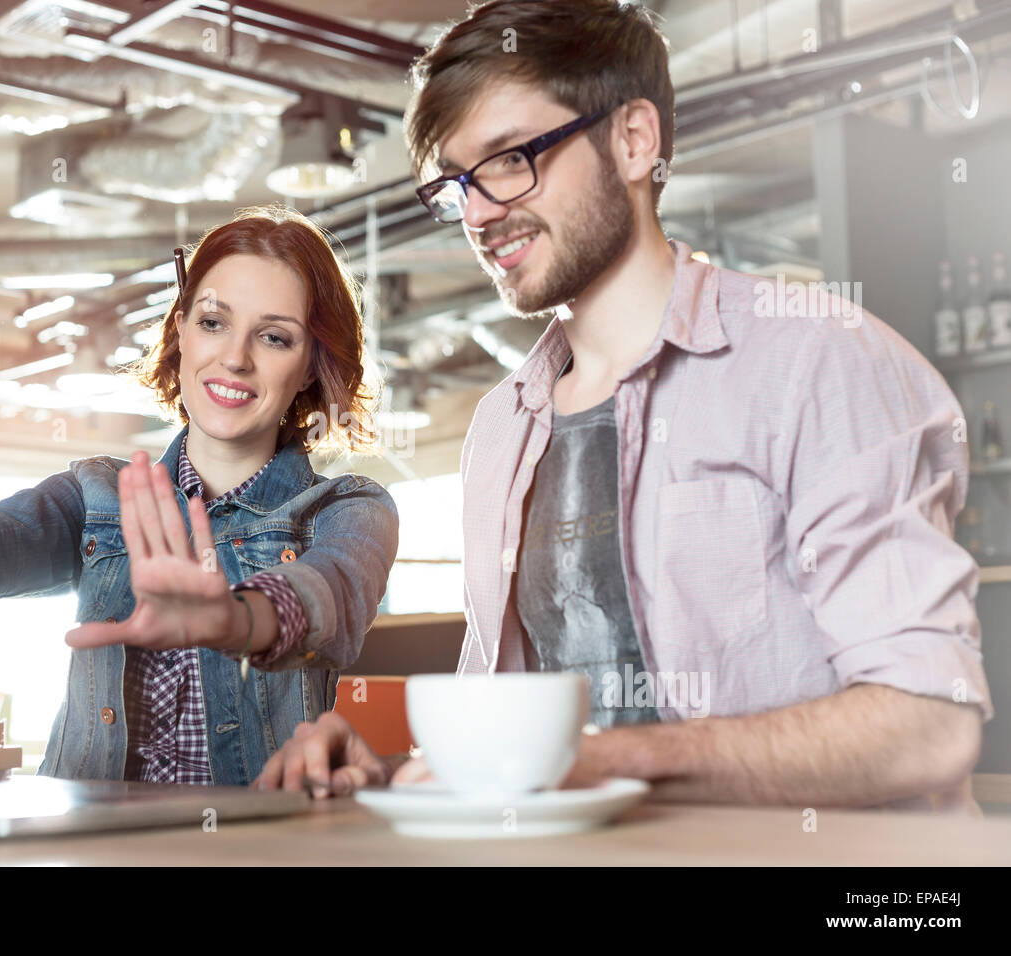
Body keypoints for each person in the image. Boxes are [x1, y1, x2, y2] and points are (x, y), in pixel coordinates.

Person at [255, 0, 991, 810]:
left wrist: (606, 762)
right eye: (457, 186)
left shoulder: (820, 362)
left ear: (634, 140)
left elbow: (928, 721)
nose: (479, 214)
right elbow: (522, 734)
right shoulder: (502, 427)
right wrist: (395, 768)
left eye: (509, 159)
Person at [0, 204, 399, 787]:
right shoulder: (96, 495)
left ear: (312, 367)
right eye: (213, 323)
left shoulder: (348, 509)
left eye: (273, 338)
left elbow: (332, 592)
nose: (234, 358)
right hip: (85, 846)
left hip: (249, 854)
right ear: (182, 331)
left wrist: (235, 619)